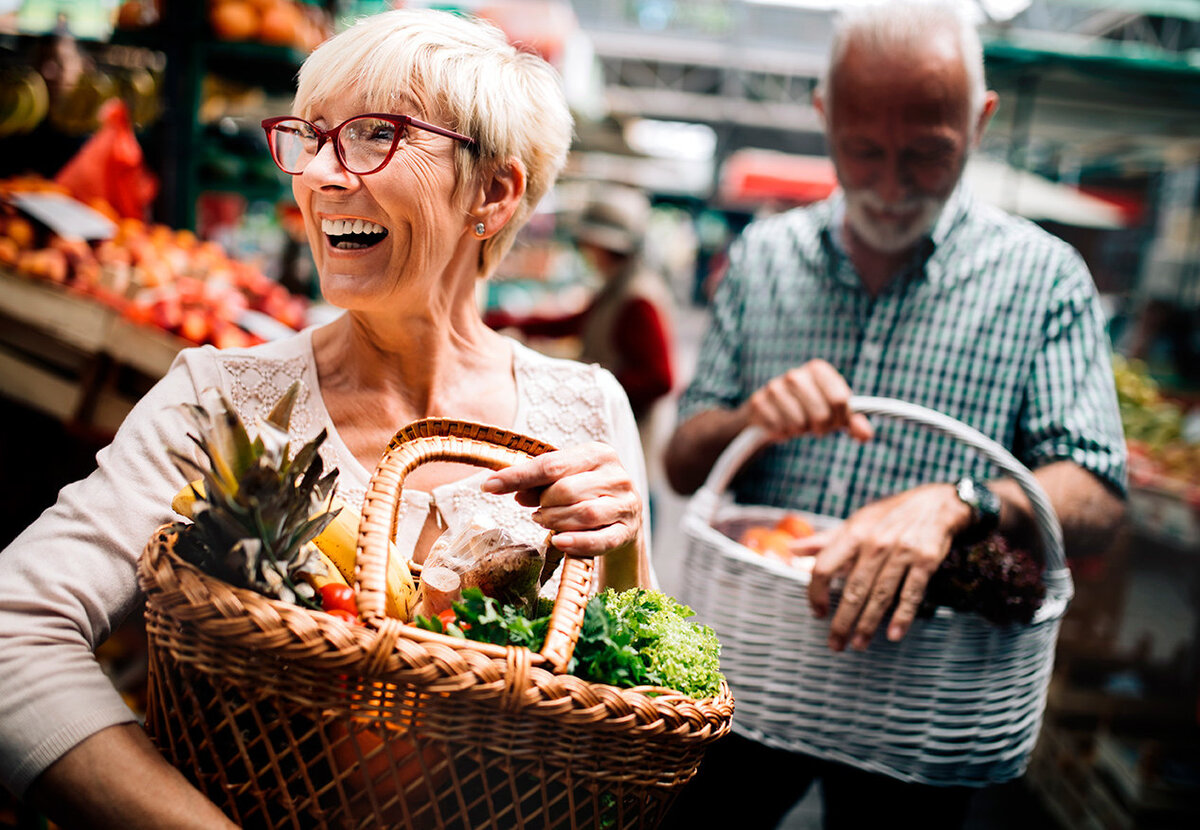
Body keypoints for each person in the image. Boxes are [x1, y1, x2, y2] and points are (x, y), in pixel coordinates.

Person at [0, 10, 653, 828]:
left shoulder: (588, 411)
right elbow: (12, 628)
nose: (320, 175)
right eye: (311, 137)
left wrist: (621, 555)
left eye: (374, 135)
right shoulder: (224, 400)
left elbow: (637, 719)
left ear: (494, 189)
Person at [662, 2, 1127, 828]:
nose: (888, 184)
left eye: (925, 155)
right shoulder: (764, 259)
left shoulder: (1045, 280)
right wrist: (749, 421)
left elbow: (1095, 496)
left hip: (923, 705)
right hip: (747, 676)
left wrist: (965, 501)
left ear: (978, 124)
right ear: (824, 116)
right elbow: (682, 461)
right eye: (862, 151)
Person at [486, 185, 675, 426]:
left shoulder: (638, 299)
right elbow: (577, 323)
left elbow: (660, 379)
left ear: (604, 245)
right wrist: (506, 321)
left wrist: (589, 385)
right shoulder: (619, 286)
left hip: (629, 424)